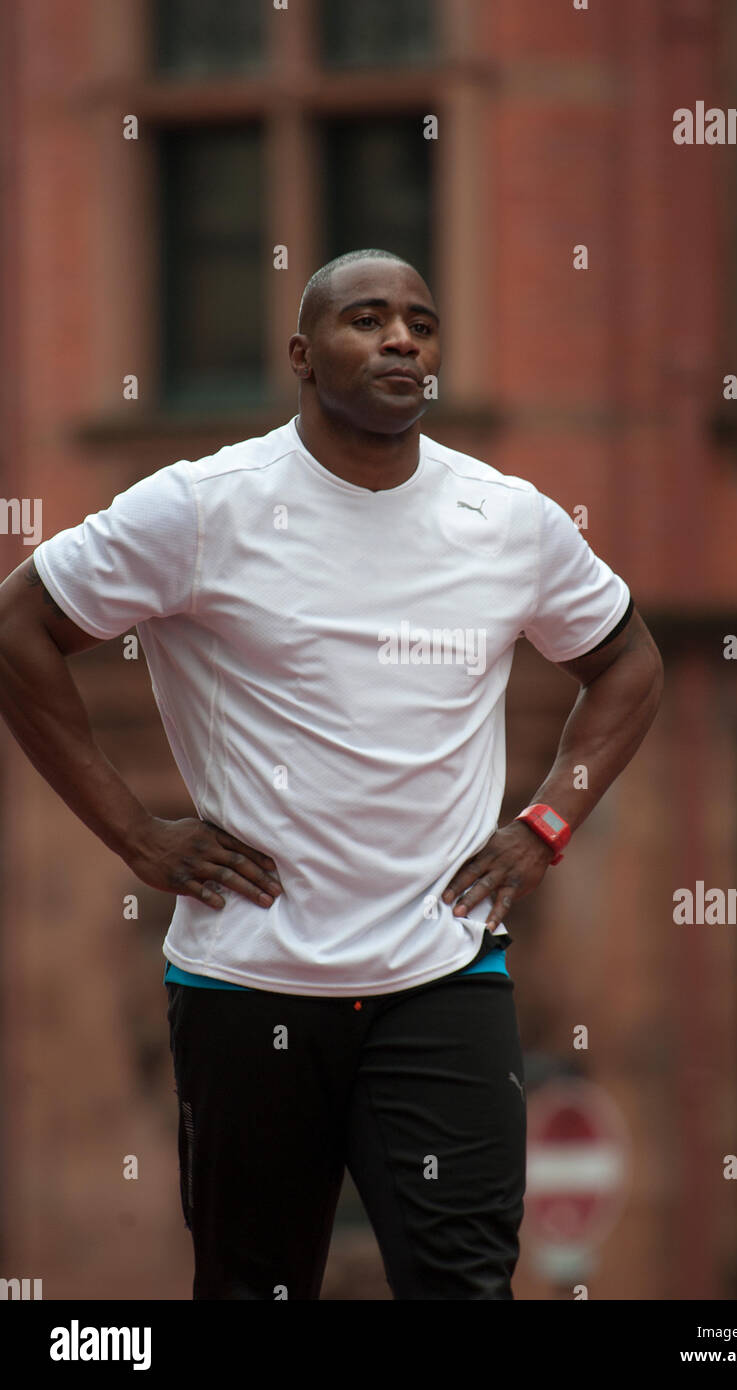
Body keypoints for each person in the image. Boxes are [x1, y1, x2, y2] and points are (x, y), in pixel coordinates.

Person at [0, 248, 663, 1300]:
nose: (401, 338)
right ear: (303, 357)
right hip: (247, 980)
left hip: (443, 974)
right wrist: (135, 833)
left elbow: (628, 660)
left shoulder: (509, 518)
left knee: (466, 1285)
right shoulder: (202, 508)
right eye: (367, 319)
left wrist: (545, 823)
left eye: (421, 322)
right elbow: (18, 625)